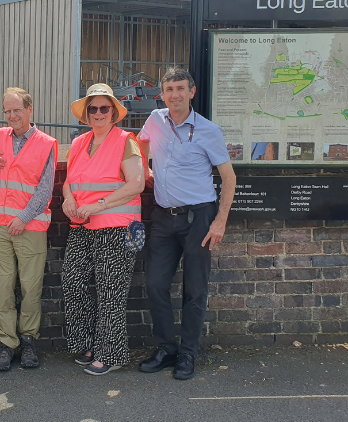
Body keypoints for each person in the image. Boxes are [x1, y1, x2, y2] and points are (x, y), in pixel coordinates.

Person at [137, 68, 236, 380]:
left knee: (194, 290)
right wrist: (146, 172)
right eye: (169, 89)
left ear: (192, 92)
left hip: (199, 218)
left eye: (180, 88)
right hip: (164, 217)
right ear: (162, 94)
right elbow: (139, 147)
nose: (174, 94)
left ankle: (188, 354)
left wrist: (219, 222)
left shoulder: (208, 130)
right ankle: (166, 349)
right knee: (155, 284)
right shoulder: (154, 119)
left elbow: (229, 178)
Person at [0, 87, 58, 371]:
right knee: (4, 288)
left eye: (16, 110)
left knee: (31, 288)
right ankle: (7, 344)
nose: (11, 116)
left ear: (29, 110)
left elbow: (45, 191)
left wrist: (23, 217)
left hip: (29, 227)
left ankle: (29, 340)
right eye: (7, 111)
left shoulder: (47, 143)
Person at [62, 84, 145, 375]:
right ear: (86, 114)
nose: (98, 113)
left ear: (113, 113)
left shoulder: (125, 140)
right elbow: (69, 181)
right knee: (73, 282)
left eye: (104, 108)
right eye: (93, 108)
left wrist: (98, 205)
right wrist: (68, 199)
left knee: (111, 291)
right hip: (82, 226)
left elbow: (137, 183)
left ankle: (111, 354)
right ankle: (86, 344)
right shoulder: (78, 143)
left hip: (116, 227)